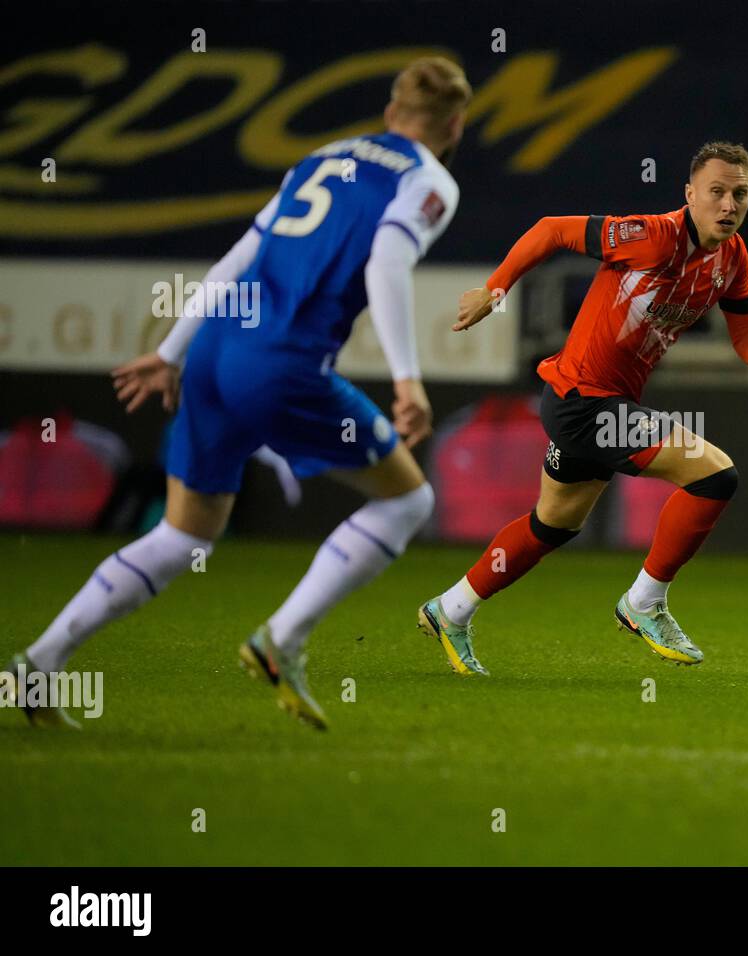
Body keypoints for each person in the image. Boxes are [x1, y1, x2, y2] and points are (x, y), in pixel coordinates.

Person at [3, 57, 471, 729]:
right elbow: (388, 261)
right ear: (454, 124)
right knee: (408, 500)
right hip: (279, 363)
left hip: (217, 349)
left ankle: (39, 664)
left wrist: (171, 353)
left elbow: (240, 256)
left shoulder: (321, 158)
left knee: (181, 535)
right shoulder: (428, 181)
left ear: (391, 110)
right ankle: (282, 639)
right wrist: (407, 378)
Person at [418, 141, 748, 675]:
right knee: (715, 475)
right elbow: (552, 228)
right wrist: (495, 289)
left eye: (740, 194)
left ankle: (450, 609)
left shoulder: (731, 257)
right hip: (584, 402)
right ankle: (643, 603)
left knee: (551, 525)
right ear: (689, 195)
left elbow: (746, 331)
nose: (728, 205)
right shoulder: (651, 237)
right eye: (716, 192)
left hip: (599, 404)